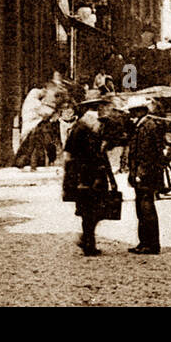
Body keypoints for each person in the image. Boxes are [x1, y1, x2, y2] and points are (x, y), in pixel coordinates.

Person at [62, 105, 117, 256]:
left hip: (94, 174)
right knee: (89, 210)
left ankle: (87, 239)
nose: (100, 125)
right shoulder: (80, 130)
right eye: (98, 121)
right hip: (85, 175)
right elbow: (69, 155)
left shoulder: (90, 130)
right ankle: (88, 242)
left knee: (94, 210)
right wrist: (72, 178)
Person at [126, 97, 165, 254]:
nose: (131, 115)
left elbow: (147, 154)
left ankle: (151, 244)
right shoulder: (142, 125)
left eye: (133, 111)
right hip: (141, 174)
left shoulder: (148, 126)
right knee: (141, 208)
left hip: (146, 175)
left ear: (141, 111)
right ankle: (144, 242)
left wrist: (140, 173)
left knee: (146, 208)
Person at [14, 84, 55, 170]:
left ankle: (33, 165)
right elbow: (46, 111)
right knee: (32, 147)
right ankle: (30, 164)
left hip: (30, 127)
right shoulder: (33, 101)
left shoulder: (30, 100)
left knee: (33, 147)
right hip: (32, 127)